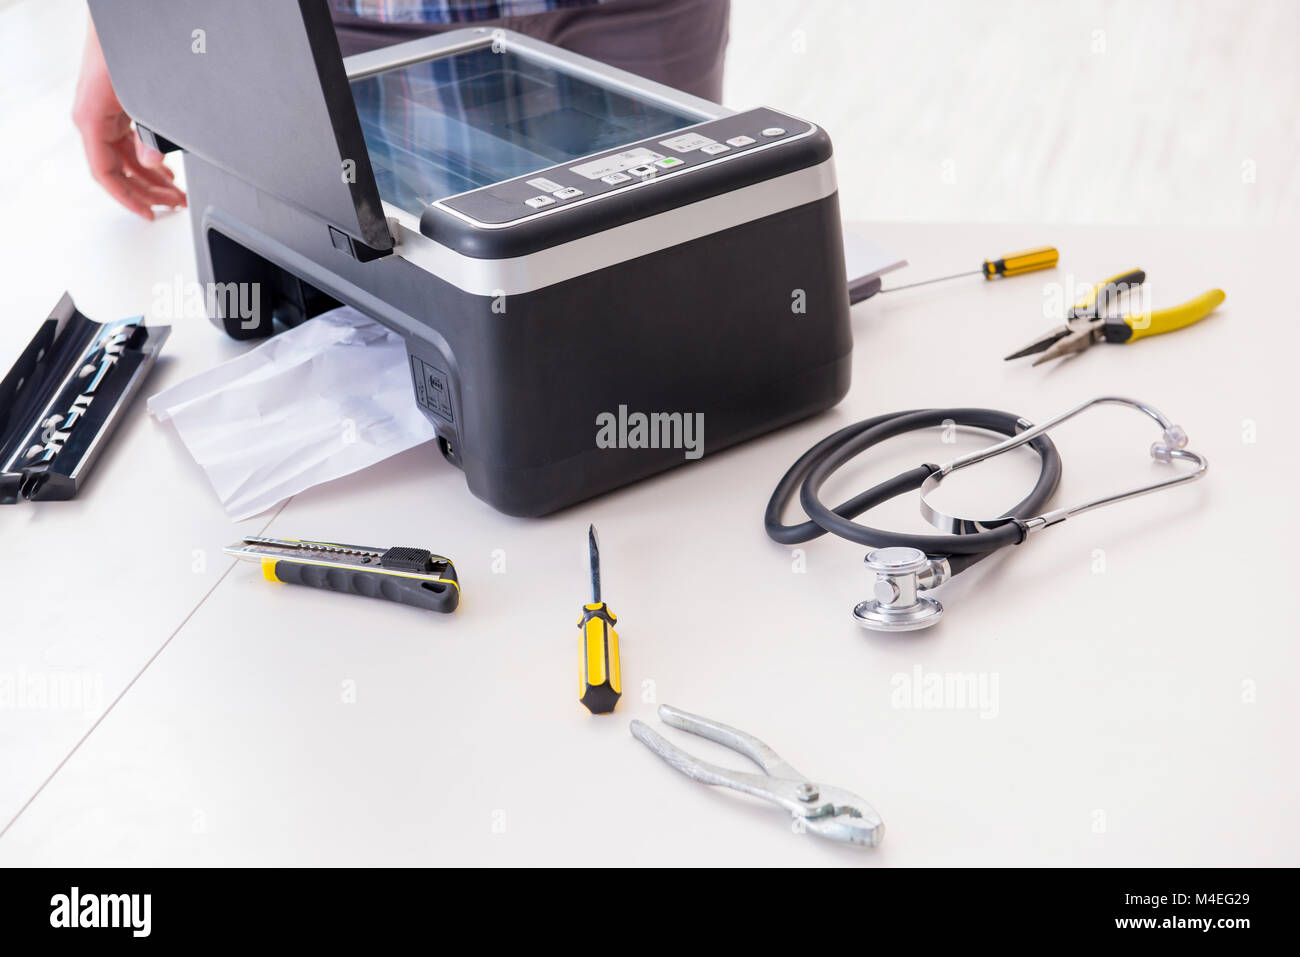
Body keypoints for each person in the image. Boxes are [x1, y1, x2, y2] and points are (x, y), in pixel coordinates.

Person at [72, 0, 730, 221]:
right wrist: (123, 27)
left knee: (659, 305)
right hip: (357, 24)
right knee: (358, 345)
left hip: (630, 17)